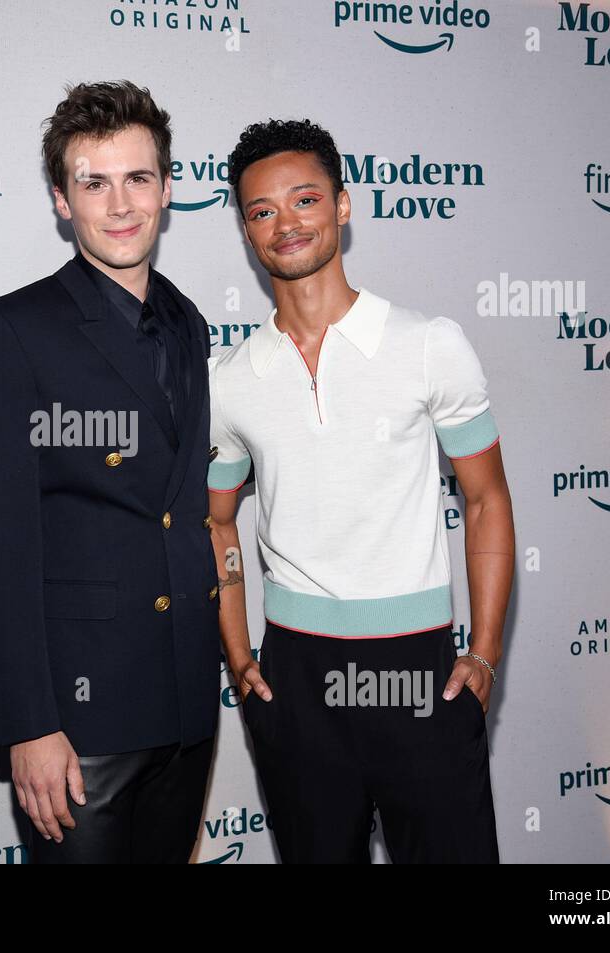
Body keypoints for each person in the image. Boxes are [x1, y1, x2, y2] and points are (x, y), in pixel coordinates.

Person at [208, 118, 515, 863]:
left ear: (342, 206)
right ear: (246, 231)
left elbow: (487, 501)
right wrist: (242, 660)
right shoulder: (231, 381)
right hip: (296, 682)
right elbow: (215, 523)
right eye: (261, 210)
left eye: (305, 198)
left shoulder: (427, 343)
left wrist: (483, 655)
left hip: (421, 673)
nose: (286, 222)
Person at [0, 81, 221, 863]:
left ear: (168, 189)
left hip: (184, 701)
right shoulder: (11, 331)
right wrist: (30, 722)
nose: (119, 204)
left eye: (138, 178)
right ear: (62, 201)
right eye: (93, 182)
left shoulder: (187, 320)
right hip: (78, 721)